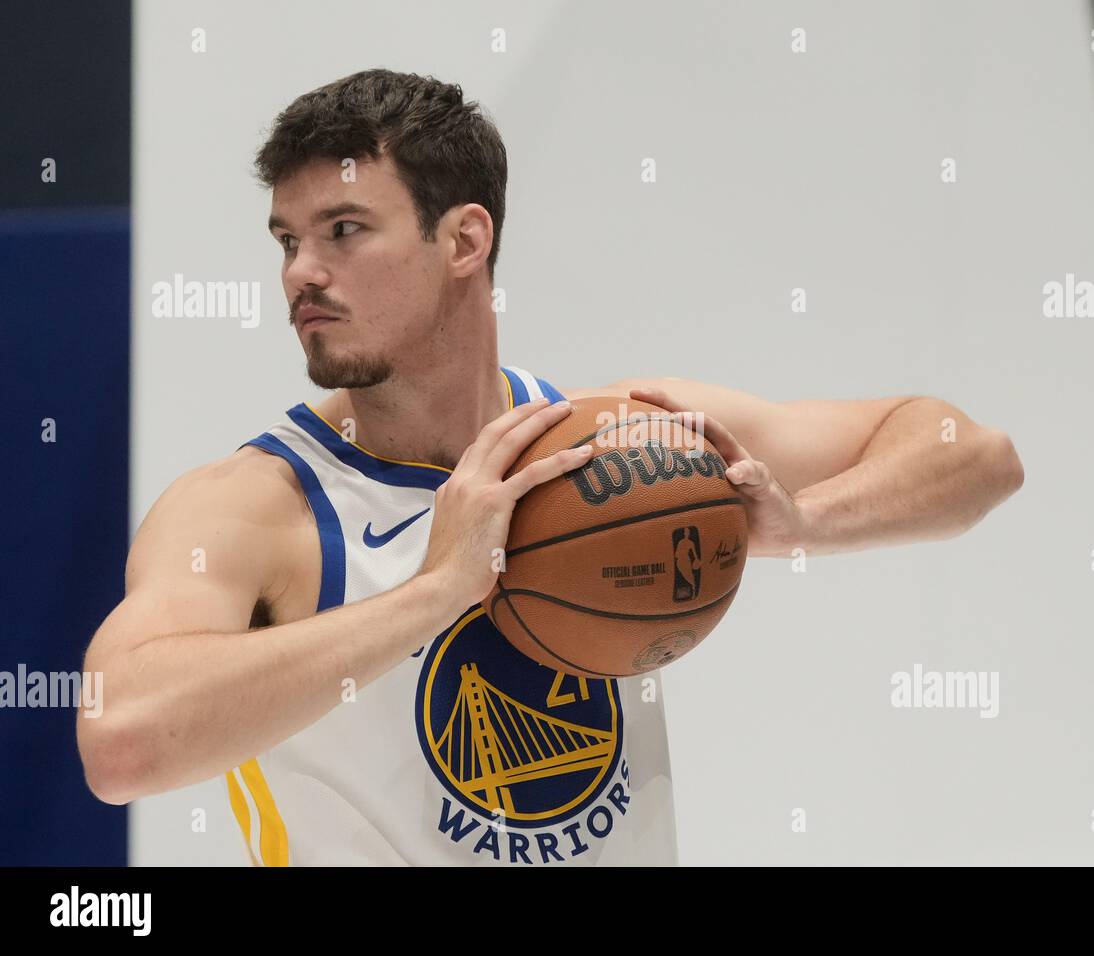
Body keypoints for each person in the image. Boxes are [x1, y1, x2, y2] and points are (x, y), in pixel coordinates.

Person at [76, 69, 1024, 866]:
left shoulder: (625, 440)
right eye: (288, 240)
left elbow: (974, 456)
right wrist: (435, 592)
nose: (300, 274)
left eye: (344, 230)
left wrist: (811, 523)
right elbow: (119, 744)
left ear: (465, 240)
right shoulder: (251, 509)